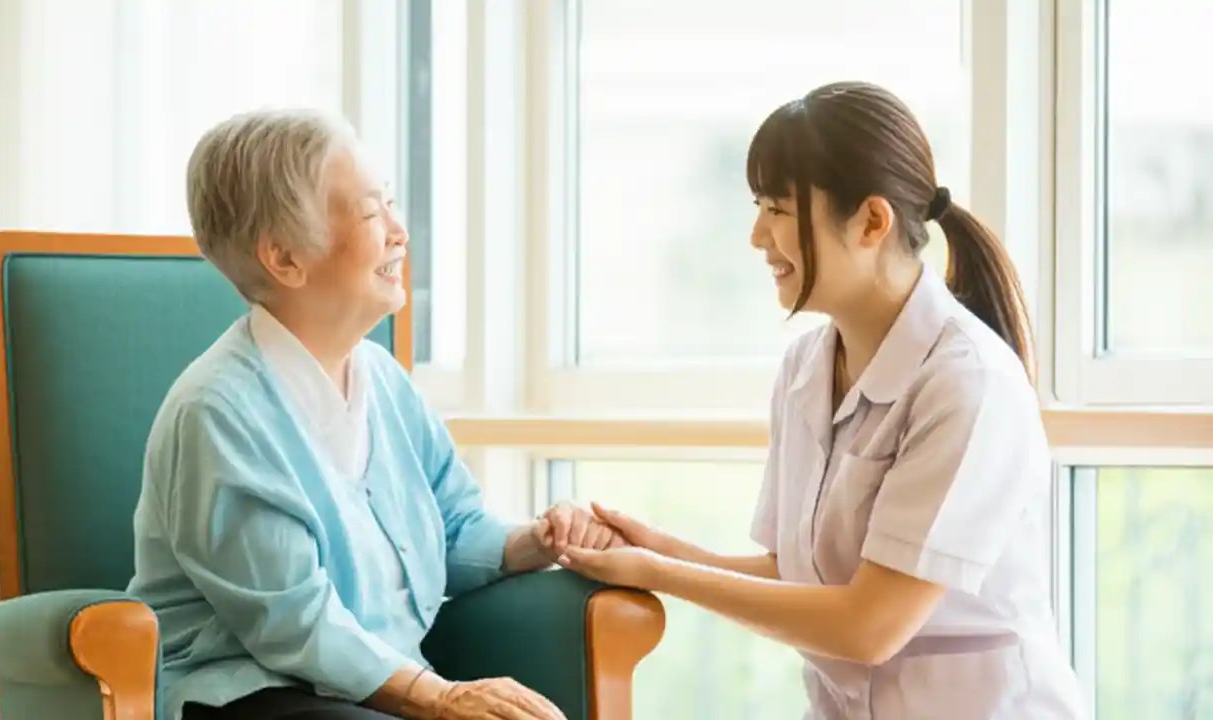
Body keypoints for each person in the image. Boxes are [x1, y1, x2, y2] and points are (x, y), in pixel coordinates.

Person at [556, 81, 1086, 718]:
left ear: (871, 221)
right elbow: (798, 578)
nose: (757, 235)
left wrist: (662, 575)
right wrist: (660, 551)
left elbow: (869, 625)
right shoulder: (804, 368)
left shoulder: (968, 383)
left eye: (778, 209)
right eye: (759, 206)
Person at [126, 109, 617, 720]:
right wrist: (439, 697)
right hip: (250, 692)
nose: (399, 232)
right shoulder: (218, 412)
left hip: (372, 692)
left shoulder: (381, 377)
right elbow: (292, 623)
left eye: (390, 204)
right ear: (283, 258)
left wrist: (537, 541)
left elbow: (453, 527)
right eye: (369, 212)